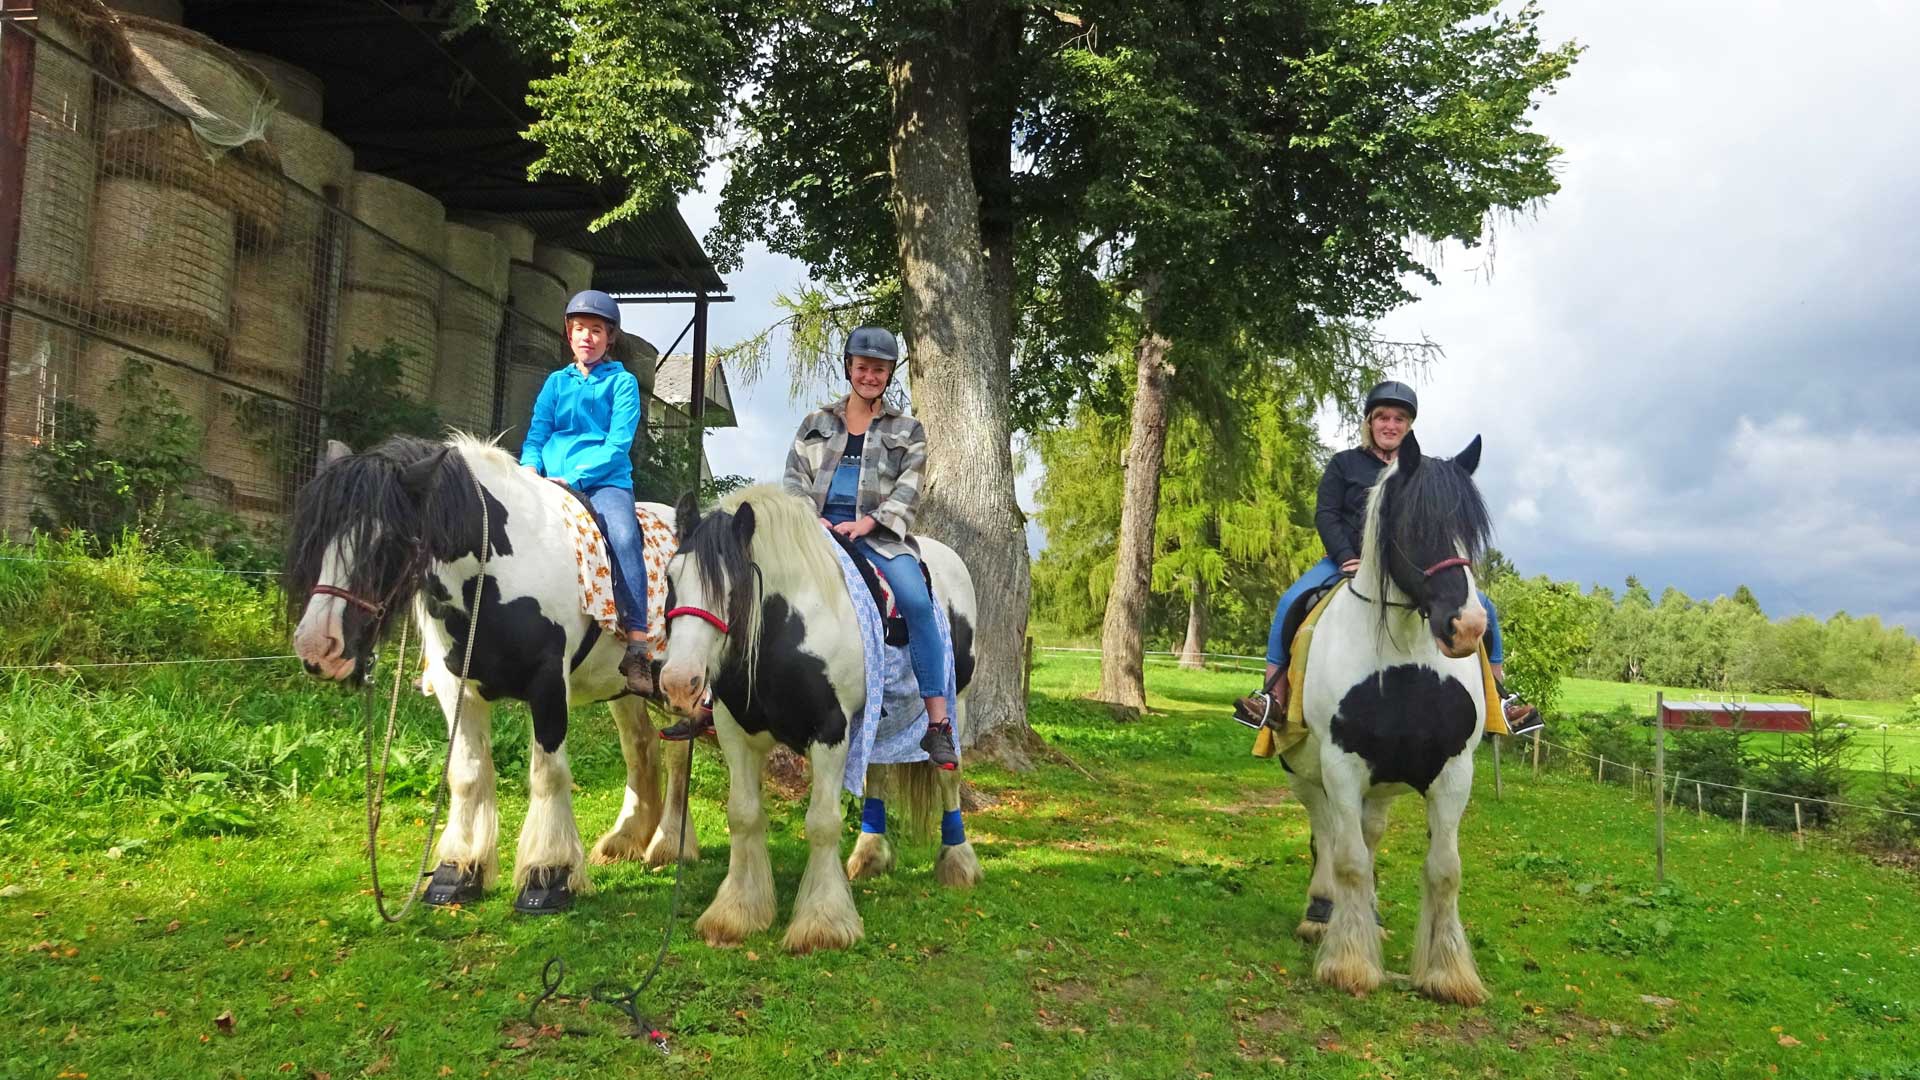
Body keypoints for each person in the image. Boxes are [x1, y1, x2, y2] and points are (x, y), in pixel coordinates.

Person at [673, 327, 959, 764]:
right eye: (862, 367)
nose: (869, 376)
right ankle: (714, 698)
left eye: (878, 370)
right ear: (849, 368)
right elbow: (794, 479)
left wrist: (868, 523)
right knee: (747, 589)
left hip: (878, 536)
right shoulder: (816, 423)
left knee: (917, 602)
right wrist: (812, 519)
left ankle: (936, 721)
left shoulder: (909, 429)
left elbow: (909, 488)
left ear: (888, 374)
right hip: (815, 532)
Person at [1236, 380, 1542, 736]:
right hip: (1345, 562)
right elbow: (1327, 514)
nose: (1390, 425)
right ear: (1369, 422)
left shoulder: (1423, 472)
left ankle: (1498, 701)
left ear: (1409, 427)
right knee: (1291, 600)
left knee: (1484, 608)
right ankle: (1273, 695)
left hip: (1406, 567)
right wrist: (1346, 556)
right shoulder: (1344, 464)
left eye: (1399, 419)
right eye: (1382, 417)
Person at [520, 289, 655, 697]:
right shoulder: (555, 383)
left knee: (626, 537)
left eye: (597, 330)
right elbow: (538, 432)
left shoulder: (623, 383)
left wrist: (574, 476)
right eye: (581, 329)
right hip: (549, 480)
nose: (588, 337)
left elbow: (617, 444)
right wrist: (528, 467)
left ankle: (637, 643)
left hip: (605, 482)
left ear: (609, 337)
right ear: (569, 333)